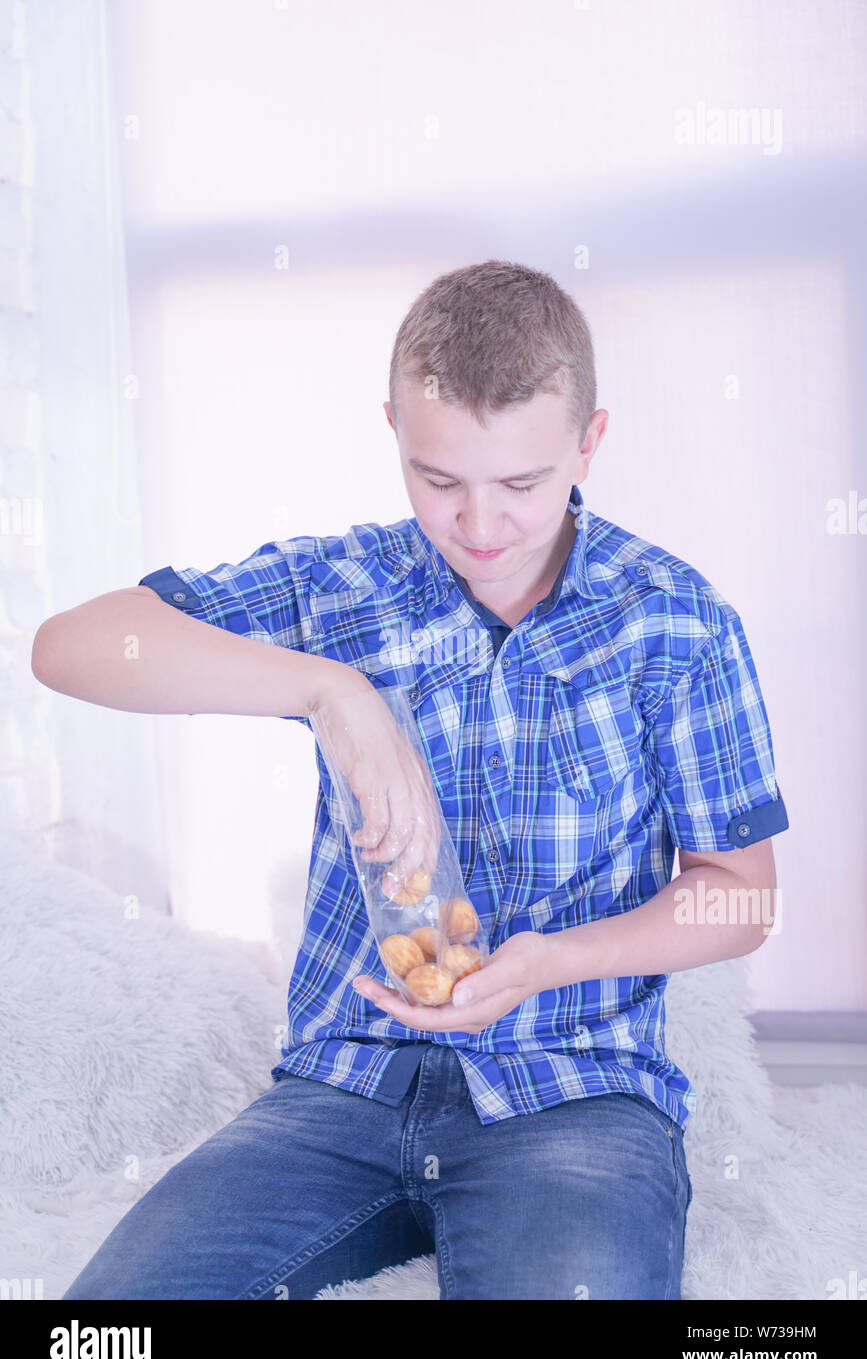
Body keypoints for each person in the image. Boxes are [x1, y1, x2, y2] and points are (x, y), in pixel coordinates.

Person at [34, 259, 788, 1301]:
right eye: (438, 480)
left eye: (522, 484)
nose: (479, 527)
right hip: (339, 1090)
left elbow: (741, 890)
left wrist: (550, 962)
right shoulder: (343, 585)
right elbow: (71, 646)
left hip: (571, 1096)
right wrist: (331, 692)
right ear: (393, 428)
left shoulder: (676, 621)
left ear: (591, 441)